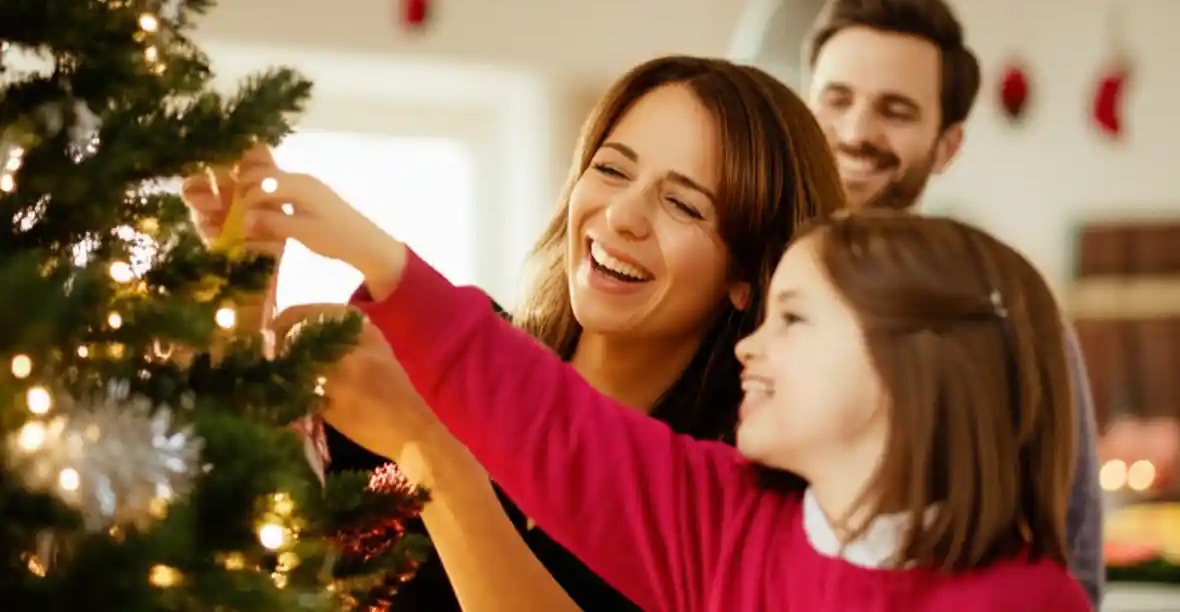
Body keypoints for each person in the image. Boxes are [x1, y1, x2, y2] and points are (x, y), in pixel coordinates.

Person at [231, 170, 1092, 611]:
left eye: (795, 320)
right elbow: (545, 419)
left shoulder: (1021, 597)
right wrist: (379, 261)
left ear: (910, 370)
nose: (755, 349)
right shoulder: (723, 522)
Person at [181, 55, 846, 610]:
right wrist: (243, 296)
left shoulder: (722, 508)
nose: (621, 216)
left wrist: (433, 455)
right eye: (612, 169)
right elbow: (247, 540)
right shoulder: (445, 363)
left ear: (748, 275)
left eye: (682, 204)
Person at [802, 0, 1103, 605]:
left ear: (947, 147)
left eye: (896, 110)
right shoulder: (732, 290)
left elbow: (1072, 554)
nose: (856, 131)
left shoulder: (1013, 322)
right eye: (836, 100)